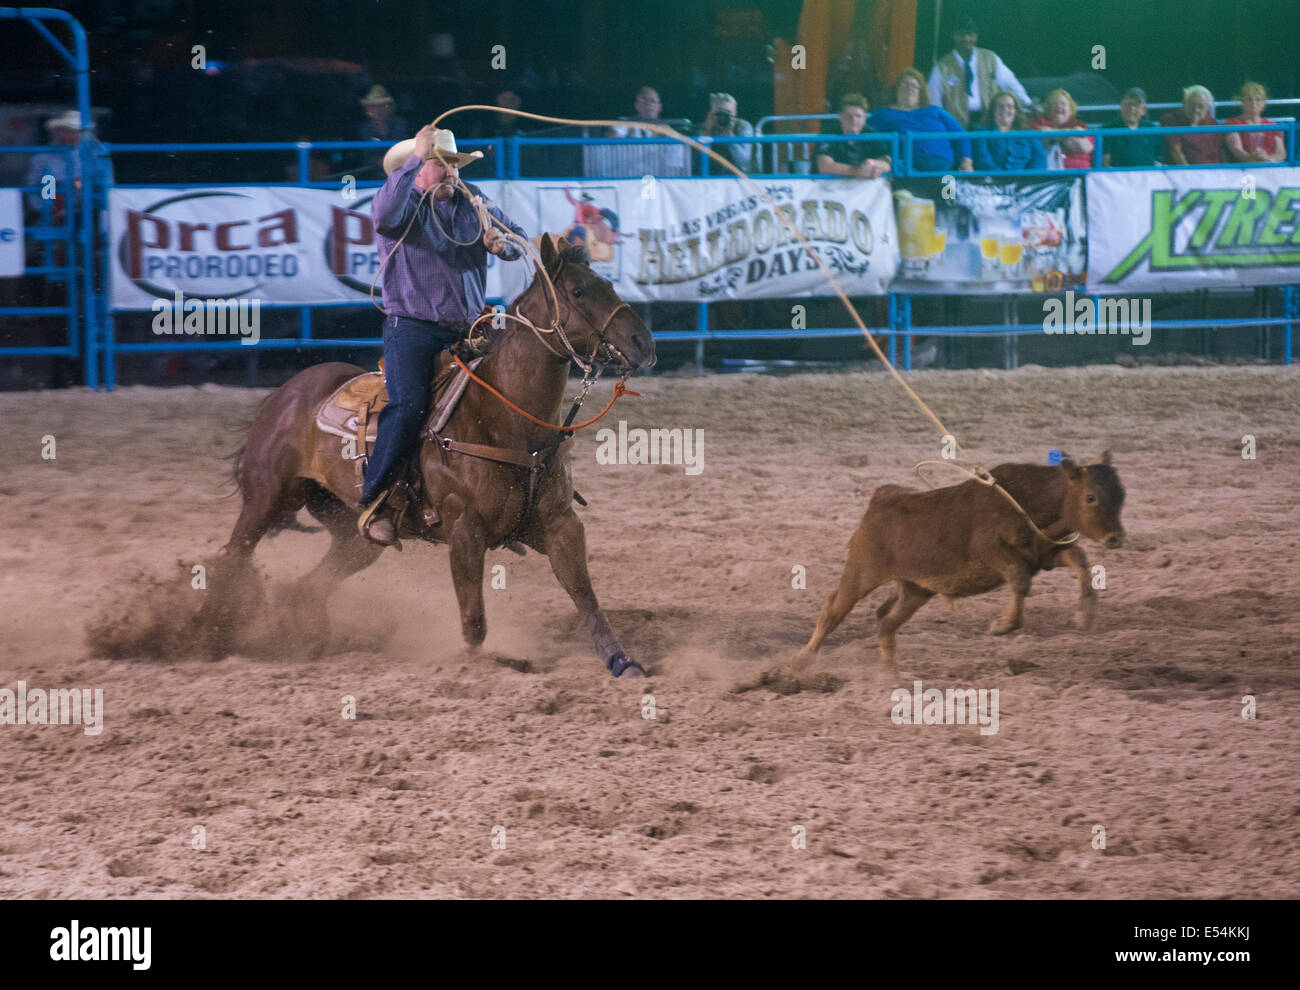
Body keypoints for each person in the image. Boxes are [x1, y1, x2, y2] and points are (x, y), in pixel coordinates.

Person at [356, 126, 529, 546]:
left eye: (453, 163)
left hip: (468, 330)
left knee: (511, 398)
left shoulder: (476, 205)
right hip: (412, 328)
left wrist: (501, 244)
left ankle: (511, 501)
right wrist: (416, 158)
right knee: (410, 404)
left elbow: (519, 241)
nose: (450, 170)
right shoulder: (400, 206)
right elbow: (383, 217)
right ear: (416, 170)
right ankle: (375, 499)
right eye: (440, 162)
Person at [927, 13, 1032, 130]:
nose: (966, 38)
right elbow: (934, 104)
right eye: (961, 34)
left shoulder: (991, 59)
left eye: (970, 34)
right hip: (956, 129)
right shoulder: (941, 67)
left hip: (988, 126)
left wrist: (1028, 103)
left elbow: (1011, 83)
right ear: (954, 36)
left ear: (976, 37)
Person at [868, 69, 971, 173]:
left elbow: (961, 135)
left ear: (920, 92)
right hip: (908, 169)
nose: (909, 88)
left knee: (951, 187)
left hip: (943, 168)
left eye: (914, 86)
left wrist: (967, 161)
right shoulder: (884, 114)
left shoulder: (935, 111)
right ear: (896, 89)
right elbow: (864, 131)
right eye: (905, 84)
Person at [815, 93, 891, 178]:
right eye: (849, 116)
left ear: (865, 118)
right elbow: (825, 166)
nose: (853, 120)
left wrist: (874, 164)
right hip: (829, 185)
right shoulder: (828, 132)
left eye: (858, 116)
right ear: (841, 117)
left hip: (862, 184)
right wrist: (857, 171)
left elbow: (886, 164)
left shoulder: (872, 134)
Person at [972, 90, 1044, 171]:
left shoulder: (1028, 133)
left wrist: (1028, 179)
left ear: (1015, 111)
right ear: (993, 110)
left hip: (1026, 181)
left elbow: (1039, 161)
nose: (1005, 110)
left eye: (1009, 106)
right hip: (993, 181)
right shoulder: (982, 133)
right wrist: (1003, 179)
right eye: (1000, 106)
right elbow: (983, 161)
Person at [1030, 89, 1094, 169]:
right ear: (1048, 108)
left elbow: (1085, 147)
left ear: (1070, 109)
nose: (1059, 106)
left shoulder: (1080, 125)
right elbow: (1039, 142)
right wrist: (1070, 133)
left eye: (1063, 104)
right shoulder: (1037, 123)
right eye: (1055, 104)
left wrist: (1052, 136)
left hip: (1077, 173)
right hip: (1046, 175)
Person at [1224, 81, 1286, 164]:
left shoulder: (1272, 125)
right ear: (1242, 102)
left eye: (1258, 99)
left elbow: (1281, 154)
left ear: (1264, 103)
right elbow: (1237, 151)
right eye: (1249, 99)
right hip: (1242, 171)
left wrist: (1268, 159)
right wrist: (1253, 160)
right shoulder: (1232, 123)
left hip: (1269, 168)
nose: (1254, 103)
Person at [1160, 85, 1223, 165]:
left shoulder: (1212, 123)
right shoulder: (1170, 120)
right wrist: (1189, 173)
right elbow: (1175, 151)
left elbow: (1218, 152)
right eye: (1191, 105)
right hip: (1184, 172)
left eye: (1201, 107)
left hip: (1210, 172)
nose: (1196, 110)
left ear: (1207, 109)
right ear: (1183, 104)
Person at [1100, 87, 1162, 168]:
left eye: (1136, 105)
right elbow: (1105, 162)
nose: (1132, 108)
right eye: (1128, 104)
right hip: (1118, 177)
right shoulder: (1108, 129)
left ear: (1143, 110)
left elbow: (1158, 159)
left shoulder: (1152, 129)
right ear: (1121, 107)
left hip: (1147, 177)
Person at [699, 92, 756, 173]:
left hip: (741, 176)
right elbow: (698, 161)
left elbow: (743, 161)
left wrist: (730, 135)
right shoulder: (707, 126)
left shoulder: (743, 126)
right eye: (720, 114)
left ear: (735, 112)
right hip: (714, 176)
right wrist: (707, 132)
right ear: (712, 113)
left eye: (728, 113)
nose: (724, 118)